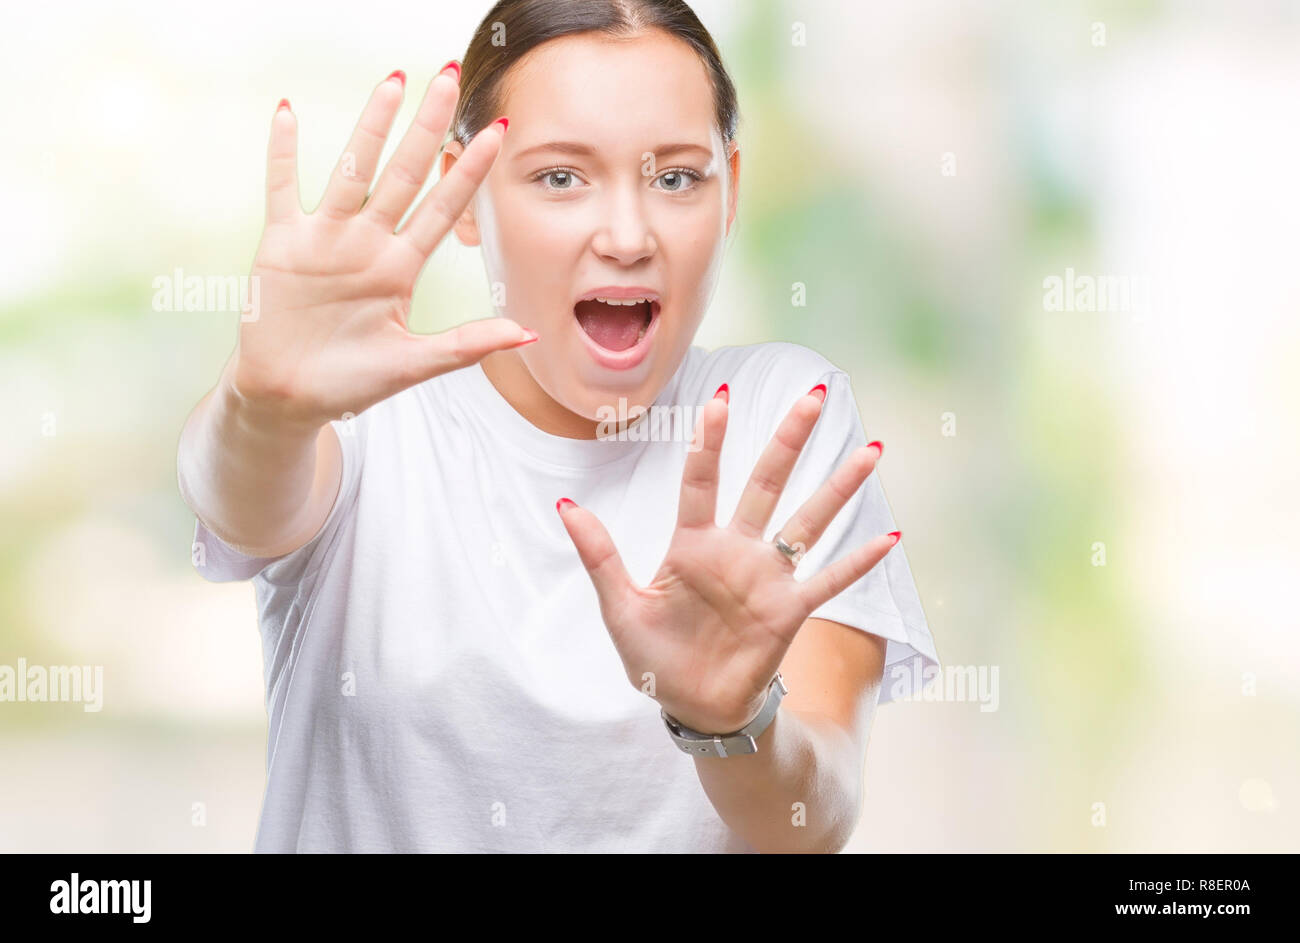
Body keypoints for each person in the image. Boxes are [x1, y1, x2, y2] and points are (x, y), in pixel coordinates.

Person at [176, 0, 940, 853]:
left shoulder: (781, 417)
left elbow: (814, 819)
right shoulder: (366, 415)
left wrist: (732, 712)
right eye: (560, 177)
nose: (626, 235)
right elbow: (236, 497)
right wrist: (261, 403)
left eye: (677, 177)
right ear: (464, 194)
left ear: (730, 190)